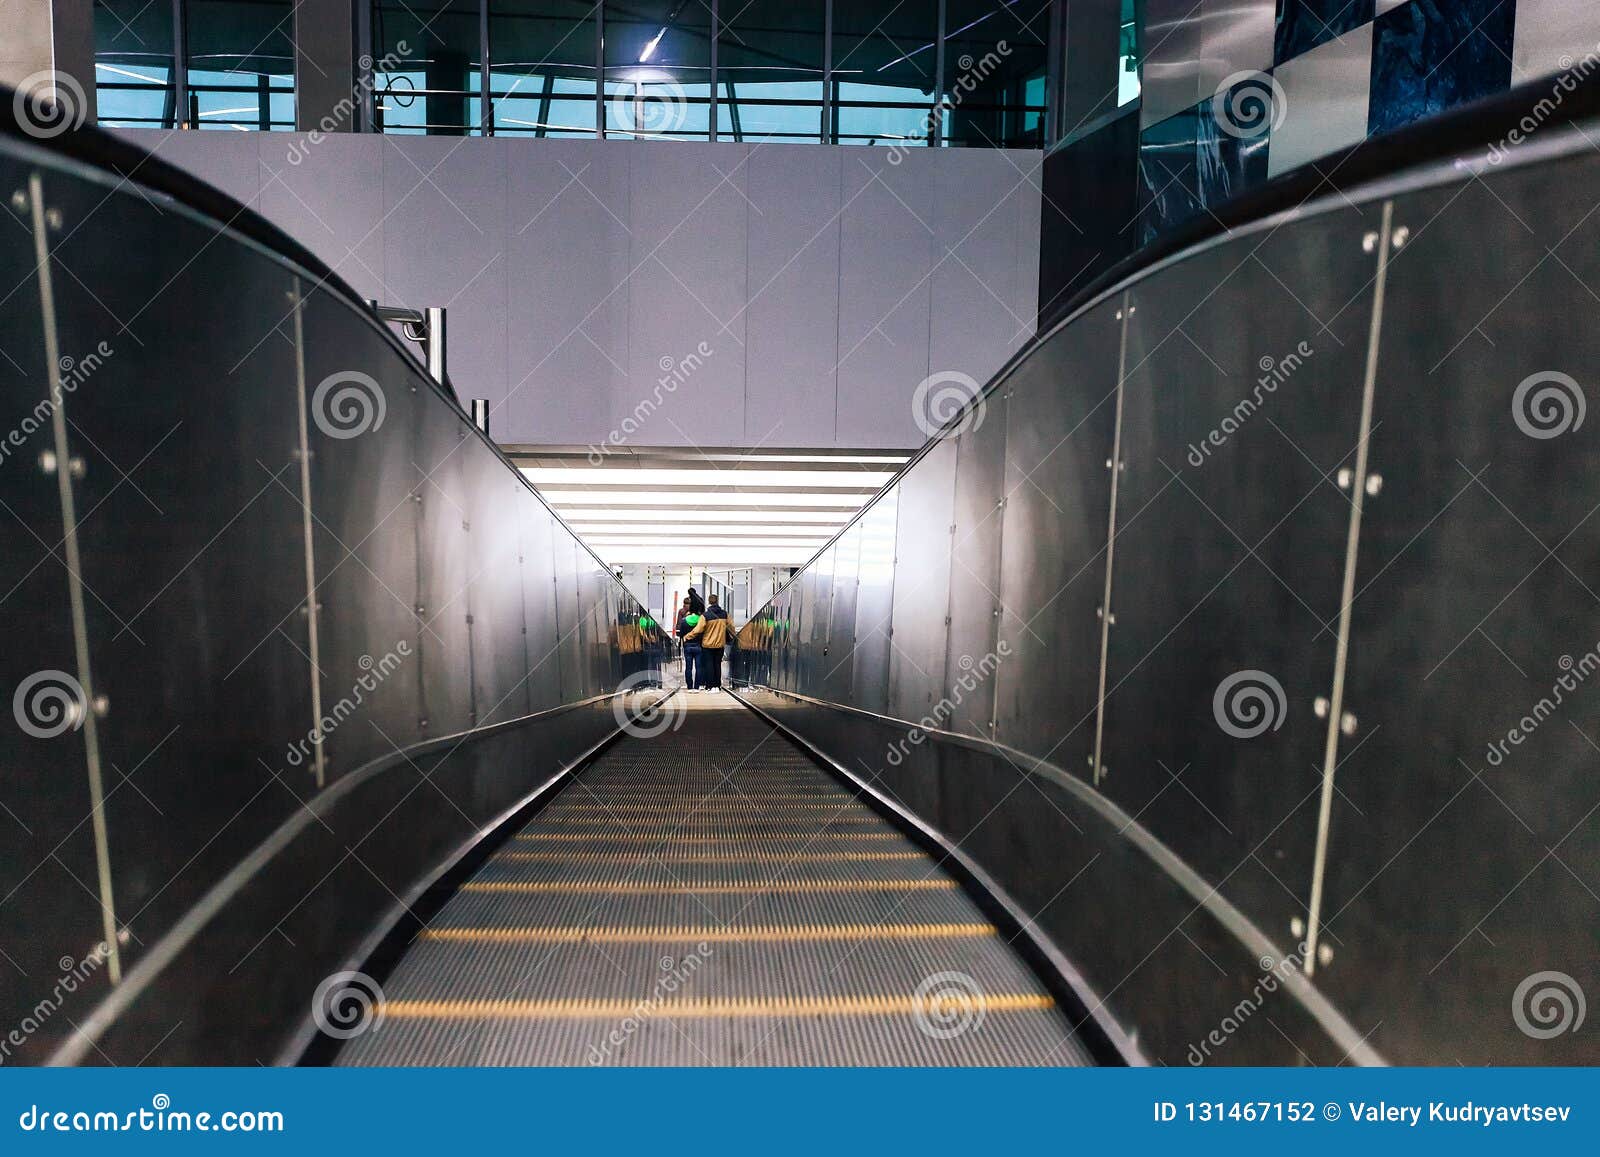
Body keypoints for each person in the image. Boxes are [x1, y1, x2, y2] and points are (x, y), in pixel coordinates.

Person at [683, 594, 731, 693]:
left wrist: (687, 636)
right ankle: (717, 685)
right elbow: (731, 627)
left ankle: (709, 686)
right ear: (717, 601)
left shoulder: (705, 615)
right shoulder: (725, 614)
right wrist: (735, 637)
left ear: (709, 602)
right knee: (717, 664)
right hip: (720, 644)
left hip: (708, 644)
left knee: (709, 664)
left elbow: (698, 630)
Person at [675, 597, 702, 691]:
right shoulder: (700, 620)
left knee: (688, 667)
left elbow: (680, 632)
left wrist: (684, 637)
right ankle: (697, 687)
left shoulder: (684, 620)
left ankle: (690, 687)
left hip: (687, 646)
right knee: (699, 667)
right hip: (699, 645)